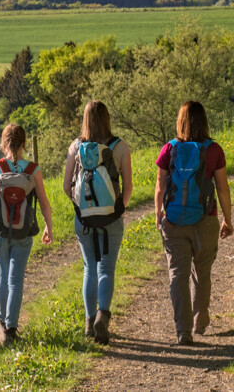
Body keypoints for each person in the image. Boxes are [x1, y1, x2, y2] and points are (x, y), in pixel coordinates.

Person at [154, 100, 232, 345]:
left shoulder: (169, 149)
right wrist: (227, 219)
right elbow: (222, 188)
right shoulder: (214, 150)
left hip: (174, 220)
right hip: (206, 220)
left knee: (178, 274)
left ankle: (183, 331)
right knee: (202, 272)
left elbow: (160, 186)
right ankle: (200, 320)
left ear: (181, 121)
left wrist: (159, 214)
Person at [64, 100, 133, 344]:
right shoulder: (120, 146)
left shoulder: (76, 146)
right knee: (107, 268)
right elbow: (128, 186)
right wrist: (119, 209)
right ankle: (103, 314)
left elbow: (66, 186)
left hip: (84, 218)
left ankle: (88, 322)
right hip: (111, 217)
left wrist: (81, 209)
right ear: (107, 119)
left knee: (89, 268)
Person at [0, 122, 54, 345]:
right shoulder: (33, 170)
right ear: (24, 144)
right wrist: (49, 226)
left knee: (2, 277)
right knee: (16, 280)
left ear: (4, 143)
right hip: (24, 233)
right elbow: (43, 203)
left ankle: (2, 323)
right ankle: (11, 328)